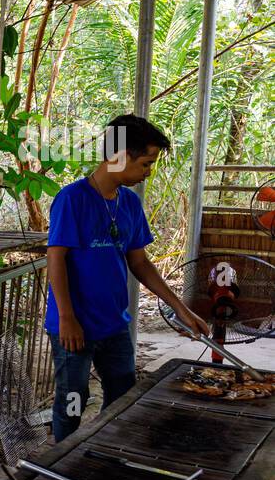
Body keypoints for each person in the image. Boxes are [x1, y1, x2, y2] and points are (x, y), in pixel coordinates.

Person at [45, 114, 208, 442]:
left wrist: (180, 307)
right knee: (72, 402)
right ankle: (60, 471)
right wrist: (67, 317)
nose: (148, 172)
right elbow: (56, 259)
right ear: (119, 156)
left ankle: (107, 458)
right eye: (146, 163)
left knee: (123, 398)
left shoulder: (130, 203)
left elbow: (140, 262)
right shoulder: (72, 199)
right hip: (75, 325)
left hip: (115, 324)